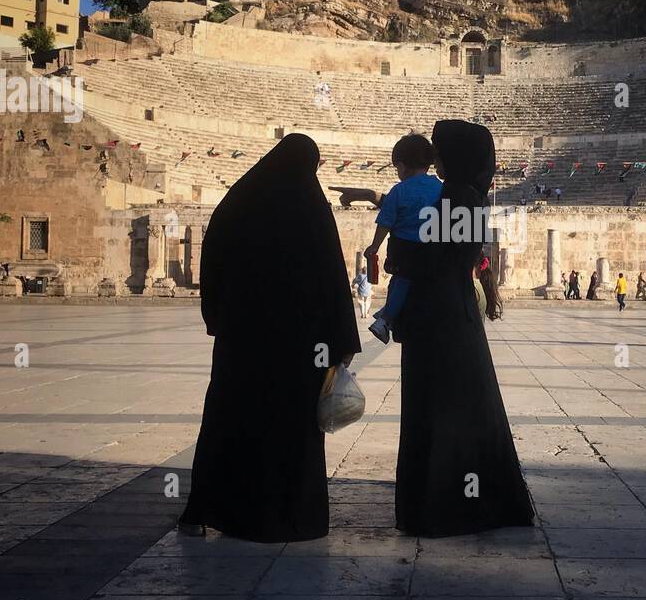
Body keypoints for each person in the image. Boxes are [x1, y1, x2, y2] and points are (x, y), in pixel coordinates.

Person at [179, 134, 360, 542]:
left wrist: (218, 319)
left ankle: (215, 510)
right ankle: (293, 517)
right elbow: (331, 275)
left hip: (242, 342)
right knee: (294, 428)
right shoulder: (310, 207)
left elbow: (212, 263)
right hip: (301, 345)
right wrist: (342, 341)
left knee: (230, 420)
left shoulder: (238, 203)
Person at [390, 120, 534, 537]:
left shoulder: (453, 198)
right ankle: (464, 500)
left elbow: (431, 259)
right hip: (456, 315)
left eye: (439, 149)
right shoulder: (468, 197)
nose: (434, 156)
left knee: (437, 410)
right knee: (464, 408)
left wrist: (397, 259)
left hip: (436, 318)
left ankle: (438, 506)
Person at [364, 134, 443, 344]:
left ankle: (386, 319)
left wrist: (374, 246)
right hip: (434, 252)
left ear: (402, 165)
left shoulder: (400, 190)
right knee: (403, 283)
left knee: (400, 281)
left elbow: (385, 222)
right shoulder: (441, 189)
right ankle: (388, 312)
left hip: (405, 252)